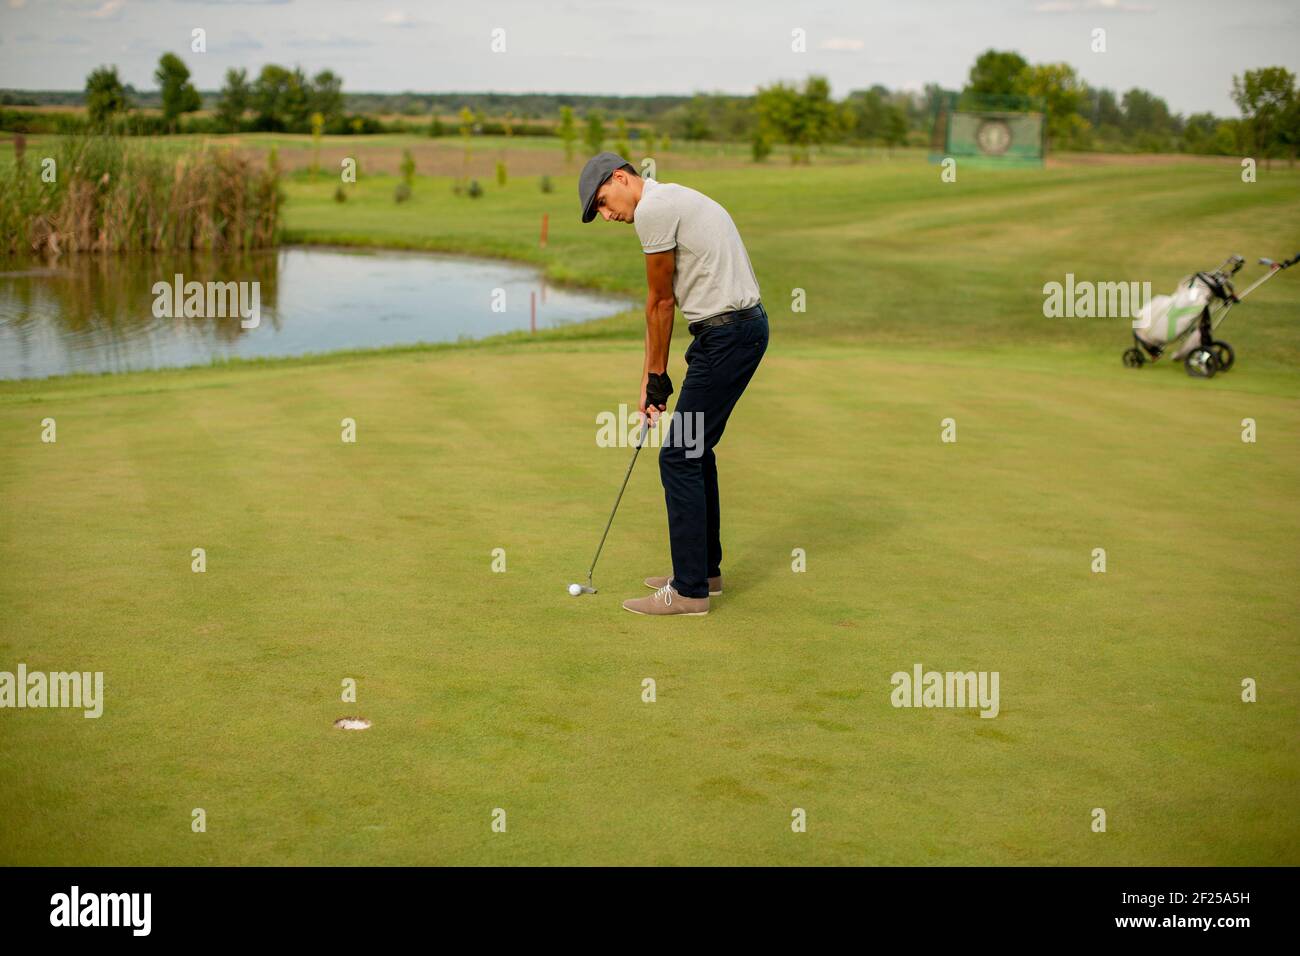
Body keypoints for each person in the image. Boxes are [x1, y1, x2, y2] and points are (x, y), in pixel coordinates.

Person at [578, 152, 769, 617]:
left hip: (726, 334)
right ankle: (703, 572)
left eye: (604, 202)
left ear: (621, 178)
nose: (608, 215)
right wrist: (650, 378)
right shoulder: (670, 197)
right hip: (732, 331)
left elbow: (660, 302)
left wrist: (657, 378)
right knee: (695, 450)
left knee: (679, 454)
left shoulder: (653, 210)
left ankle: (688, 592)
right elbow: (659, 307)